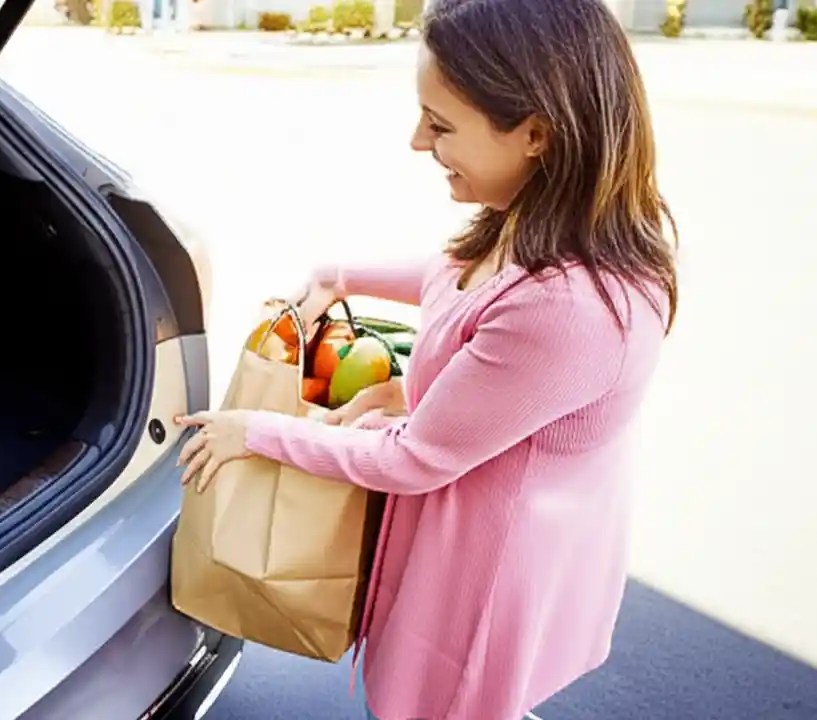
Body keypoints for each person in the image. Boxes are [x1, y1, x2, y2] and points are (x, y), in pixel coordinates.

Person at [173, 0, 679, 718]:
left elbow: (413, 460)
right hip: (480, 543)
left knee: (452, 702)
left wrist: (251, 431)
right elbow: (458, 280)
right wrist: (340, 275)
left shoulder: (569, 304)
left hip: (482, 579)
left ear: (536, 133)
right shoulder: (541, 227)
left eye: (440, 125)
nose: (418, 141)